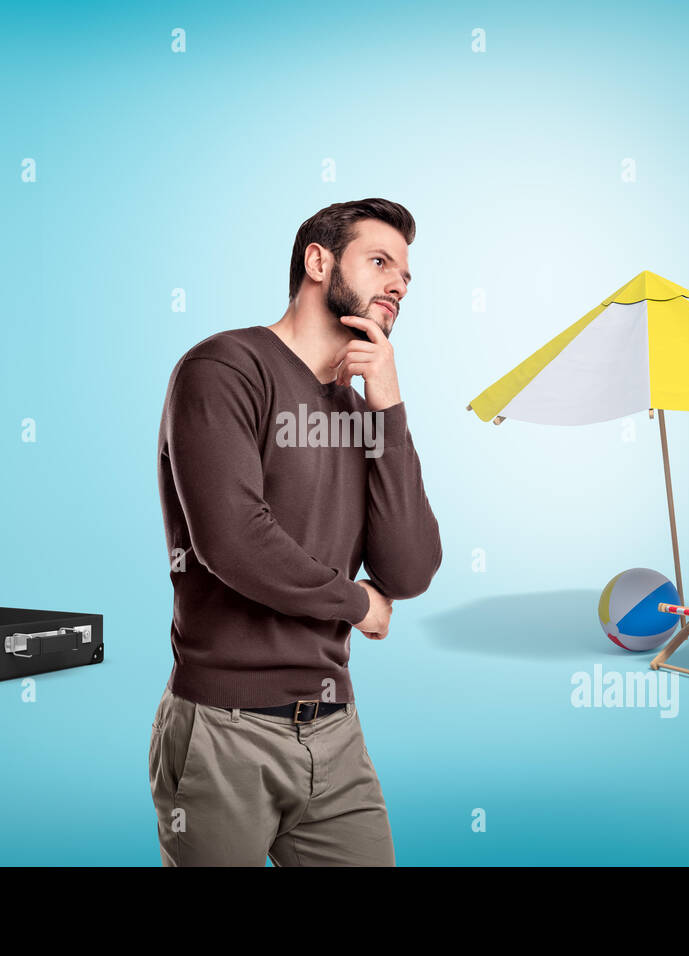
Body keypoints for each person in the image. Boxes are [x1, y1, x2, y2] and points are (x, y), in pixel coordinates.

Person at [150, 197, 442, 866]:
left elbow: (409, 571)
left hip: (336, 732)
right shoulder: (225, 369)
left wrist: (389, 409)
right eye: (379, 261)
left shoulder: (358, 407)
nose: (398, 283)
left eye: (406, 274)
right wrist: (355, 602)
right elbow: (232, 540)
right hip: (225, 732)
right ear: (318, 261)